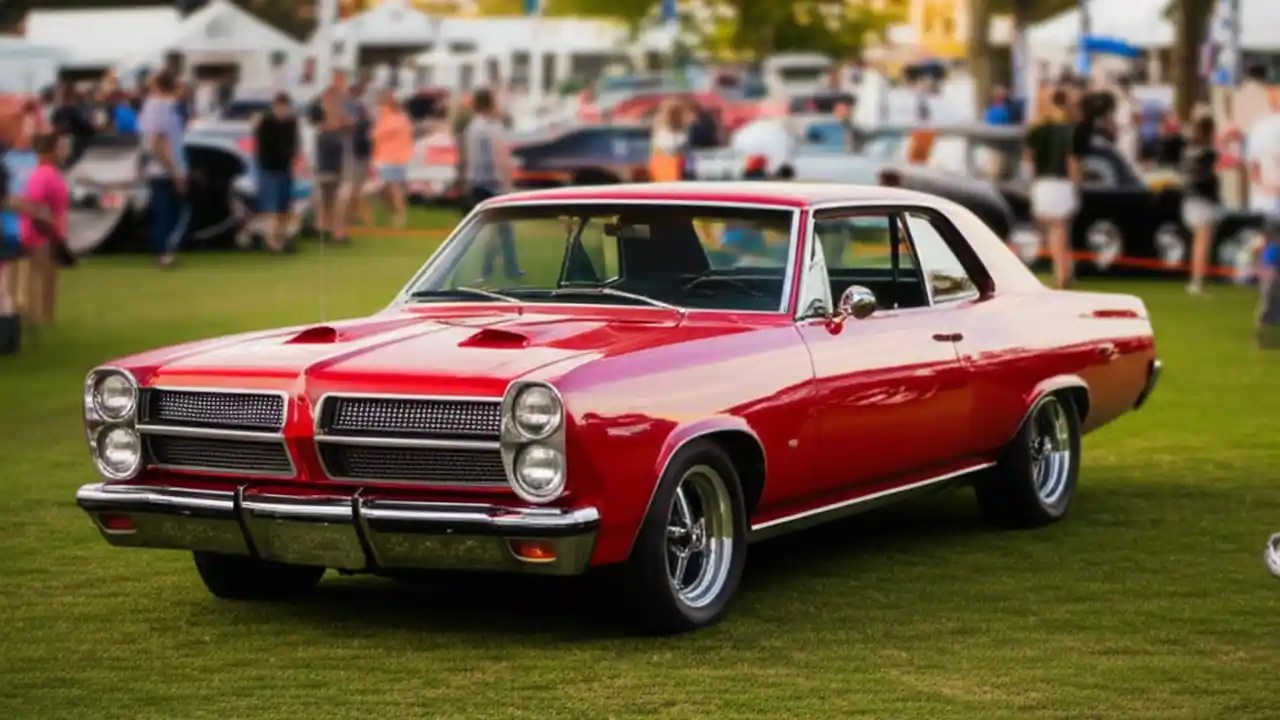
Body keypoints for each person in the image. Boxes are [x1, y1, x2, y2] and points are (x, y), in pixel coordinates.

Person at [462, 88, 520, 282]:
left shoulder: (472, 127)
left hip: (475, 182)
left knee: (493, 229)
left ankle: (493, 268)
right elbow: (500, 157)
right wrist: (507, 184)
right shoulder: (492, 127)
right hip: (492, 183)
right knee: (501, 229)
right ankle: (499, 269)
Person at [1025, 89, 1080, 289]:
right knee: (1063, 230)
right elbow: (1072, 159)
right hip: (1062, 182)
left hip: (1043, 182)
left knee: (1052, 230)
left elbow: (1029, 158)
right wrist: (1077, 183)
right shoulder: (1069, 130)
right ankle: (1063, 271)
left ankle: (1062, 271)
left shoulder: (1037, 129)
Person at [137, 70, 188, 268]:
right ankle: (162, 252)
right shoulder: (159, 107)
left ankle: (165, 249)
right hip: (163, 169)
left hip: (167, 165)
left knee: (170, 211)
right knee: (165, 212)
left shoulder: (160, 106)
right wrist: (173, 169)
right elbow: (158, 141)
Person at [18, 133, 67, 329]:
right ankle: (36, 315)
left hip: (48, 231)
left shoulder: (48, 172)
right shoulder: (44, 174)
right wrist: (49, 227)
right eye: (60, 147)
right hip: (40, 232)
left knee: (46, 275)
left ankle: (44, 316)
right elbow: (36, 204)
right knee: (39, 275)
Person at [311, 70, 354, 244]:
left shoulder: (334, 99)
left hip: (331, 140)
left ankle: (327, 227)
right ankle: (333, 230)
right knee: (333, 189)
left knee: (331, 190)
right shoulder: (330, 99)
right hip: (332, 140)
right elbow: (342, 122)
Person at [254, 92, 300, 254]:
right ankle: (272, 242)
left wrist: (293, 158)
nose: (284, 110)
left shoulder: (291, 123)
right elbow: (261, 147)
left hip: (284, 169)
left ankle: (280, 239)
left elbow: (295, 145)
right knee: (271, 208)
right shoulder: (266, 122)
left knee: (284, 208)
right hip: (269, 169)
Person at [1181, 116, 1220, 295]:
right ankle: (1197, 281)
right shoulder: (1206, 153)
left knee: (1199, 243)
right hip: (1202, 202)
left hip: (1189, 200)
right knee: (1202, 245)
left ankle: (1199, 280)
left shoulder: (1188, 151)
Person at [371, 89, 413, 229]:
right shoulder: (384, 116)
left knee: (394, 189)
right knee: (384, 190)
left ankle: (400, 216)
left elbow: (379, 134)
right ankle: (394, 213)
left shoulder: (400, 119)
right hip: (383, 158)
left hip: (395, 159)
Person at [344, 82, 374, 228]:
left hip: (358, 152)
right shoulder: (357, 109)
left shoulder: (359, 109)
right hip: (356, 153)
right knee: (353, 188)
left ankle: (350, 217)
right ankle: (349, 217)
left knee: (355, 188)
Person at [649, 99, 686, 182]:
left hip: (675, 167)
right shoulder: (661, 130)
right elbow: (667, 147)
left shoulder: (680, 130)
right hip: (664, 166)